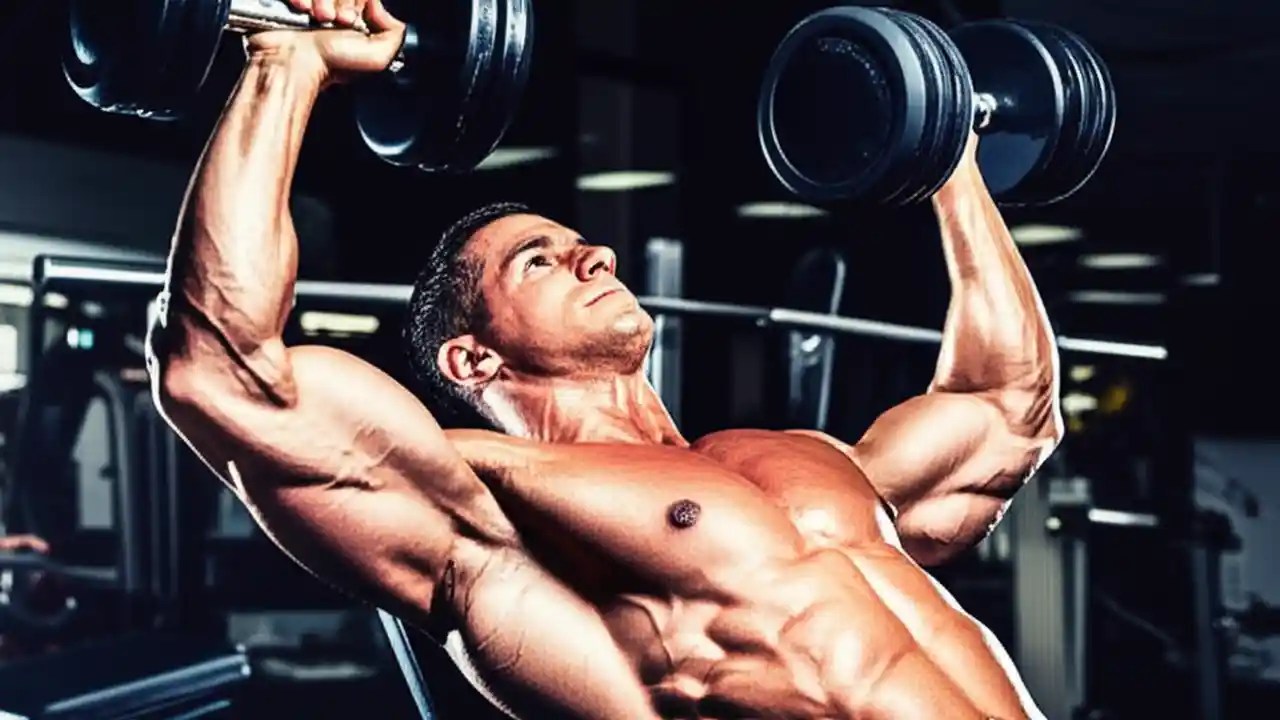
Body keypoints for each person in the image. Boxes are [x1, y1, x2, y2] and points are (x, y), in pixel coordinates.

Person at [145, 1, 1062, 718]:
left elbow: (1007, 406)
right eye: (538, 259)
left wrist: (952, 162)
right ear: (471, 359)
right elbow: (219, 370)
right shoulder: (492, 517)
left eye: (584, 243)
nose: (597, 256)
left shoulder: (806, 463)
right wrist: (285, 66)